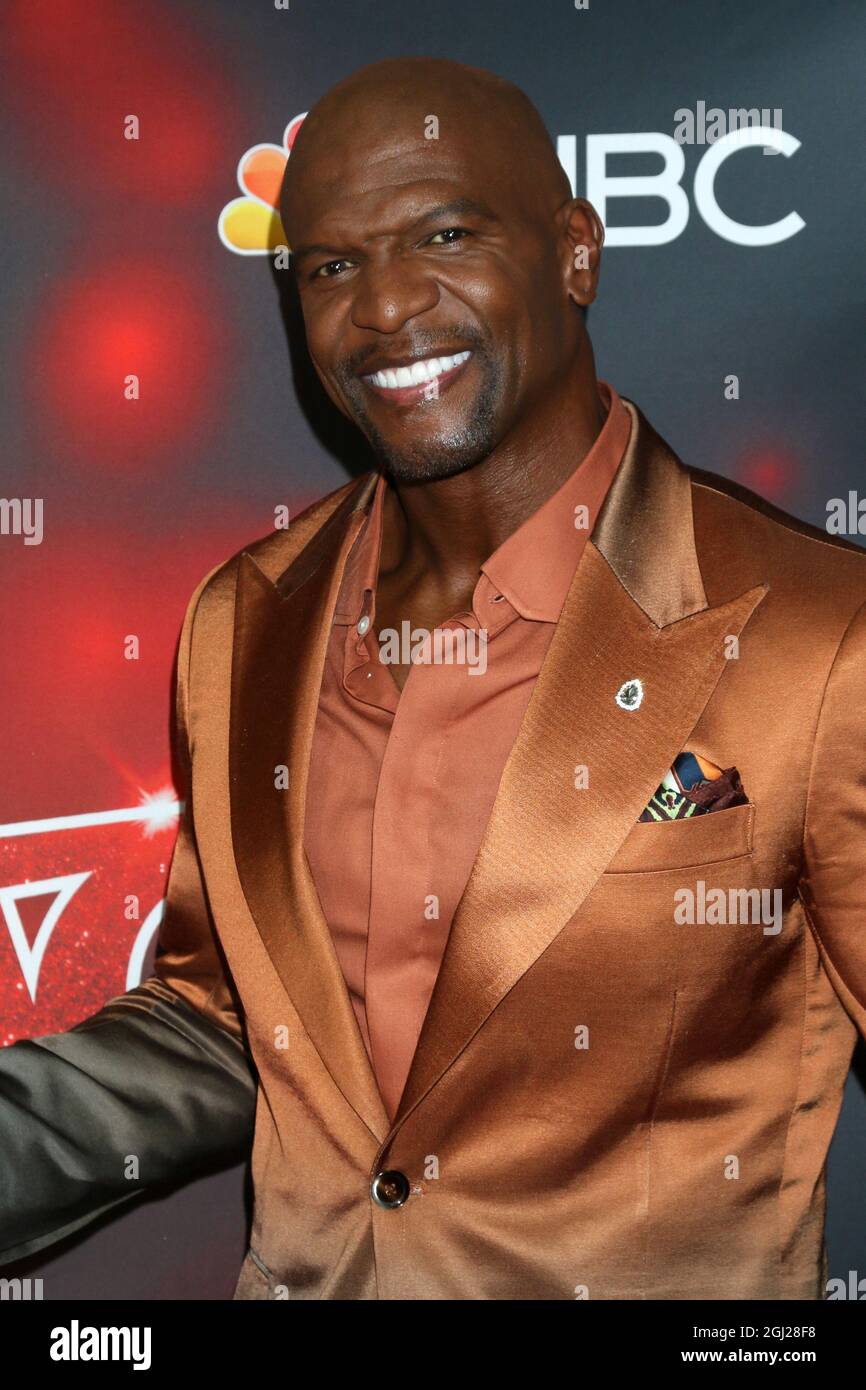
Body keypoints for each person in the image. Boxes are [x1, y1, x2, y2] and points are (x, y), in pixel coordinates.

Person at [2, 56, 865, 1301]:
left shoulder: (817, 636)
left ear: (574, 251)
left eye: (443, 233)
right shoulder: (246, 619)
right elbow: (234, 1021)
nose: (386, 307)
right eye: (332, 266)